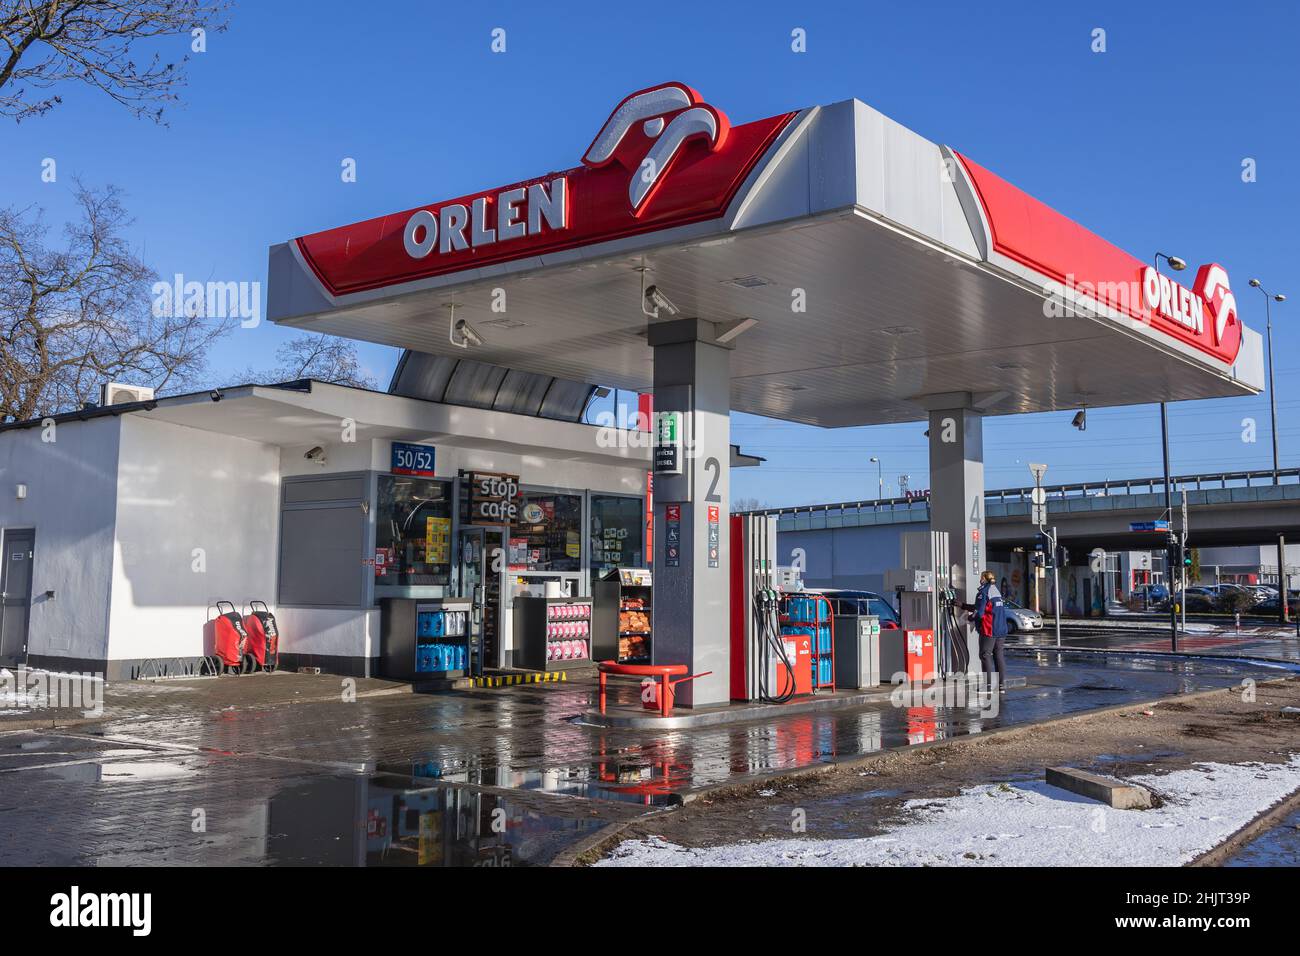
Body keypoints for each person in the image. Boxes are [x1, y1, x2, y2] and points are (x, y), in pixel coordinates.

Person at [971, 570, 1009, 693]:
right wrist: (963, 605)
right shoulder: (996, 591)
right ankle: (1001, 686)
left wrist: (969, 618)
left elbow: (980, 612)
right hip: (1001, 629)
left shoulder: (983, 592)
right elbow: (984, 607)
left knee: (985, 655)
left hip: (989, 629)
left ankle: (987, 686)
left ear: (984, 578)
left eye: (981, 577)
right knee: (999, 656)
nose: (980, 579)